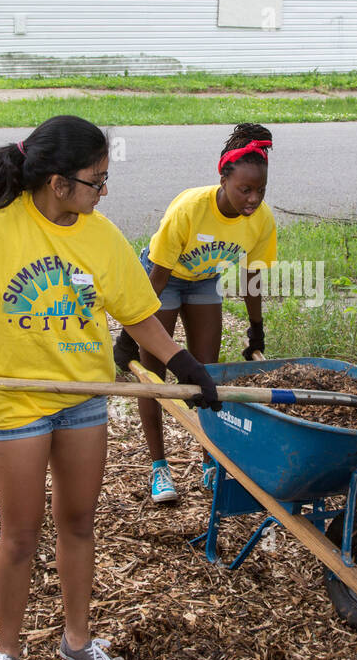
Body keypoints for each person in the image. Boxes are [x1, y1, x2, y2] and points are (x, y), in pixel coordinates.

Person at [0, 114, 220, 660]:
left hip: (84, 398)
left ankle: (78, 639)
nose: (103, 192)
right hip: (17, 403)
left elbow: (136, 310)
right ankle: (7, 647)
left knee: (78, 522)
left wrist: (183, 363)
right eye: (96, 181)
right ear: (58, 182)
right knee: (20, 531)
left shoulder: (99, 235)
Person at [113, 123, 277, 503]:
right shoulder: (189, 209)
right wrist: (130, 334)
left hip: (204, 279)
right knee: (154, 372)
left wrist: (256, 330)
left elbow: (253, 277)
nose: (253, 199)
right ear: (223, 179)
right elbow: (155, 280)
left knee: (205, 370)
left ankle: (210, 458)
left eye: (261, 190)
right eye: (245, 189)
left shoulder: (261, 219)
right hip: (162, 279)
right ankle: (160, 467)